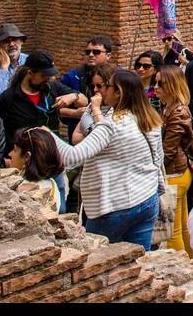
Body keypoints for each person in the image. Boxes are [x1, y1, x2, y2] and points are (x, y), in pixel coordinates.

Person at [46, 69, 164, 249]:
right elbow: (158, 157)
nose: (101, 91)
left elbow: (72, 157)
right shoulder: (150, 120)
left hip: (113, 206)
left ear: (119, 92)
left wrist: (48, 135)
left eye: (107, 86)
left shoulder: (111, 126)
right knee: (140, 259)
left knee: (98, 259)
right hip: (147, 197)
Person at [0, 50, 86, 155]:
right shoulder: (8, 98)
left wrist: (73, 96)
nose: (47, 79)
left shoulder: (53, 87)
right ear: (30, 73)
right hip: (23, 157)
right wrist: (4, 157)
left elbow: (84, 101)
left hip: (51, 154)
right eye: (43, 75)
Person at [155, 65, 193, 256]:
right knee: (183, 226)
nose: (156, 87)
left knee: (172, 232)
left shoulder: (177, 112)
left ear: (171, 85)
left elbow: (168, 151)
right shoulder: (171, 108)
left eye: (160, 84)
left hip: (173, 175)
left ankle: (183, 269)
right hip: (180, 173)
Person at [59, 35, 113, 139]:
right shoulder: (72, 76)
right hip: (80, 134)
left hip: (110, 133)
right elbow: (53, 108)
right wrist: (74, 113)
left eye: (96, 52)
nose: (91, 55)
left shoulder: (118, 75)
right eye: (88, 52)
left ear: (108, 55)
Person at [6, 127, 66, 213]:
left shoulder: (20, 189)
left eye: (15, 150)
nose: (10, 154)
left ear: (26, 156)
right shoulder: (52, 184)